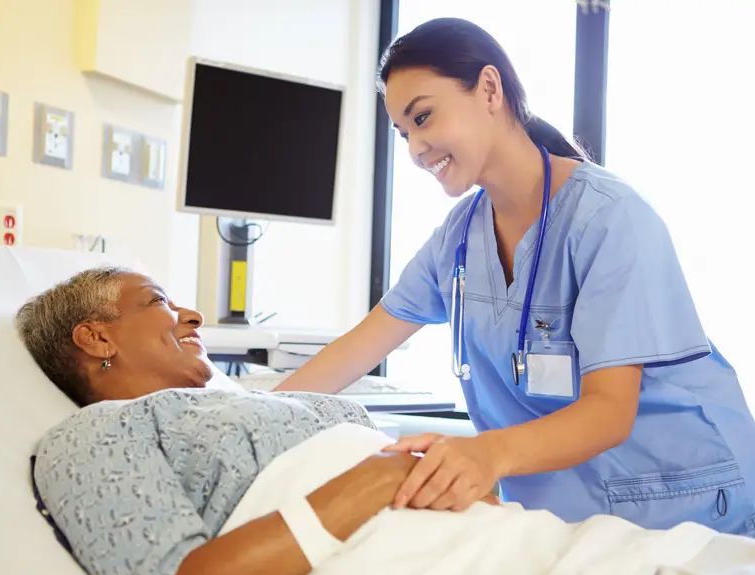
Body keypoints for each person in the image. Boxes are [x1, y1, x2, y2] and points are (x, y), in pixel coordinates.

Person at [274, 17, 755, 536]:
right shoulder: (458, 238)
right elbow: (356, 348)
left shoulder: (610, 217)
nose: (414, 148)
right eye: (404, 132)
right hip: (562, 516)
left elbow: (610, 411)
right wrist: (254, 415)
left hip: (685, 500)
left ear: (488, 89)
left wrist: (484, 455)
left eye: (425, 117)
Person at [20, 267, 500, 575]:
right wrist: (381, 477)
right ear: (97, 337)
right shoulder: (92, 436)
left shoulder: (269, 402)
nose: (193, 316)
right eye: (157, 302)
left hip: (495, 545)